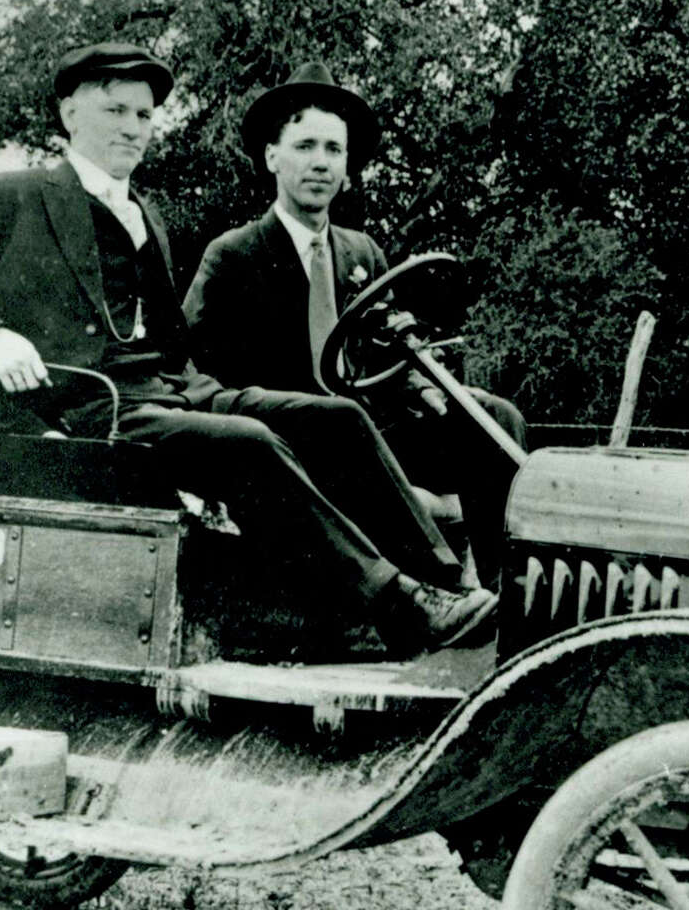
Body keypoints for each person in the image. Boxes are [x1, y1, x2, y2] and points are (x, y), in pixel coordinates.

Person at [0, 41, 496, 653]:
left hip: (167, 392)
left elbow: (172, 343)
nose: (132, 129)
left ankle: (449, 588)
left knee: (336, 416)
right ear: (71, 114)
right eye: (115, 111)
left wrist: (214, 392)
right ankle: (396, 603)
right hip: (82, 407)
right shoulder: (18, 194)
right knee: (251, 445)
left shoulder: (144, 213)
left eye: (144, 116)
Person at [182, 62, 527, 590]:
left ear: (348, 167)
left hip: (369, 432)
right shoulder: (233, 255)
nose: (320, 163)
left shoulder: (361, 252)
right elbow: (188, 366)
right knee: (342, 422)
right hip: (297, 444)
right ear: (271, 157)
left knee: (492, 415)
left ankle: (509, 584)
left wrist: (423, 387)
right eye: (305, 146)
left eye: (333, 150)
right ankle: (447, 587)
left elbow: (389, 353)